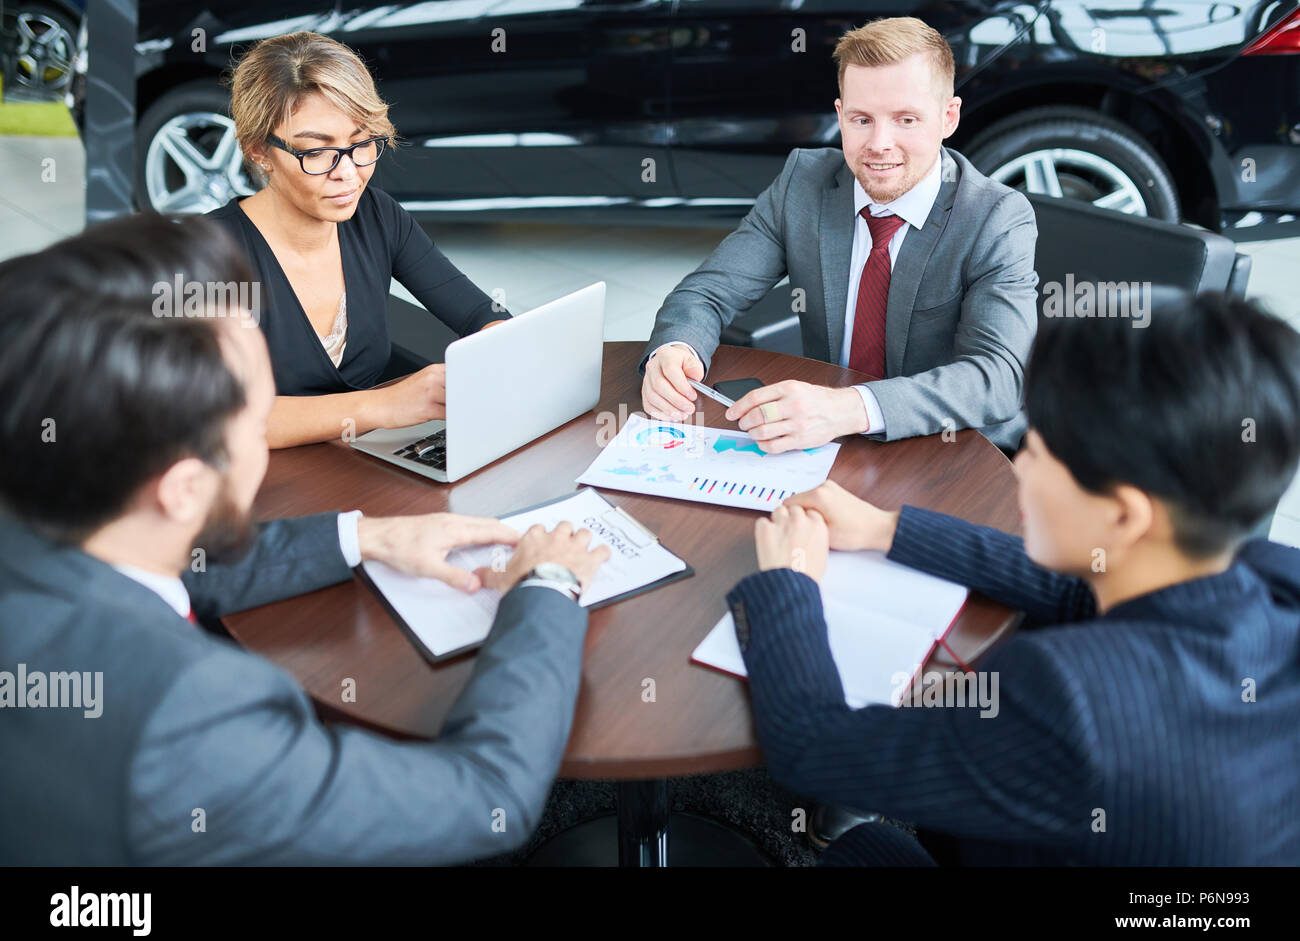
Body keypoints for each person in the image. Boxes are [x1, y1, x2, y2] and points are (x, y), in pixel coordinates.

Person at [0, 215, 610, 865]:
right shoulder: (188, 715)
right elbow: (487, 802)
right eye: (257, 421)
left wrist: (364, 536)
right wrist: (547, 585)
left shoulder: (43, 502)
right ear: (181, 490)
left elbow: (159, 564)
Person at [727, 292, 1300, 864]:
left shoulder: (1065, 699)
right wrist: (887, 530)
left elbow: (816, 750)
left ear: (1124, 514)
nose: (1020, 463)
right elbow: (1083, 592)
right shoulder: (1273, 579)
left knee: (865, 850)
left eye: (1042, 448)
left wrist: (789, 584)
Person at [641, 17, 1038, 454]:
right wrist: (677, 349)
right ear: (840, 115)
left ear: (948, 118)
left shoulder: (996, 218)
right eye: (861, 119)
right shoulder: (803, 183)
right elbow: (709, 292)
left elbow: (999, 377)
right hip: (828, 442)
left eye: (906, 119)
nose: (879, 143)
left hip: (954, 450)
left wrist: (850, 408)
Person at [206, 31, 507, 449]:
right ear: (258, 151)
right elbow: (221, 420)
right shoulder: (207, 256)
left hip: (361, 466)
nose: (348, 173)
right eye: (317, 152)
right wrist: (380, 405)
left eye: (361, 143)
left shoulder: (377, 216)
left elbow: (481, 314)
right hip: (260, 484)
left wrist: (500, 351)